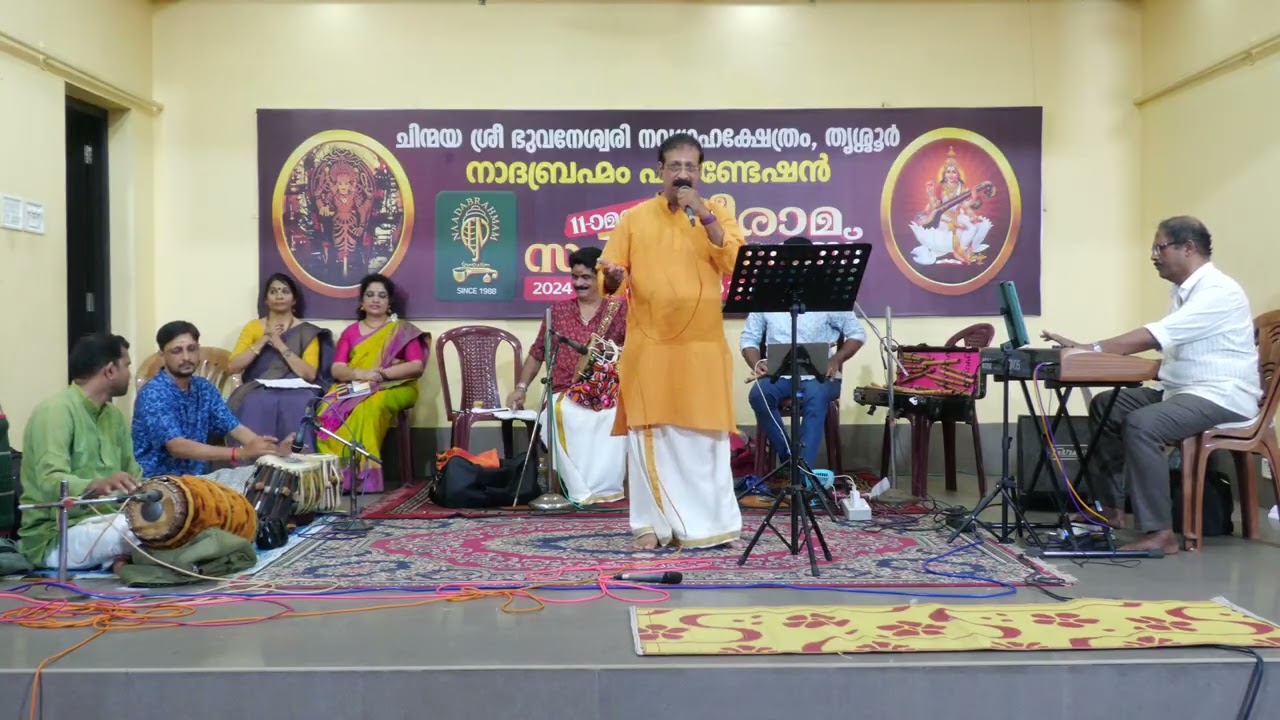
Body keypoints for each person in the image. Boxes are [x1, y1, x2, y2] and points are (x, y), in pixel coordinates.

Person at [1041, 216, 1261, 554]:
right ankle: (1109, 509)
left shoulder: (1218, 291)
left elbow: (1154, 335)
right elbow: (1168, 351)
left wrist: (1089, 350)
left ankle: (1160, 533)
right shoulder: (1183, 292)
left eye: (1160, 247)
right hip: (1182, 390)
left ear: (1187, 248)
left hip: (1222, 395)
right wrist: (1088, 352)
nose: (1154, 256)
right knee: (1106, 405)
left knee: (1144, 424)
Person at [598, 133, 744, 551]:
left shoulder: (715, 214)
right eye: (674, 166)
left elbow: (736, 262)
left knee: (706, 439)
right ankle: (650, 526)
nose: (682, 174)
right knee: (652, 435)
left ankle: (712, 526)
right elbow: (613, 274)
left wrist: (707, 216)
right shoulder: (635, 218)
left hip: (702, 347)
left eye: (690, 167)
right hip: (651, 348)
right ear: (659, 171)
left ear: (700, 173)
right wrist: (611, 277)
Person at [506, 246, 628, 505]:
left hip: (605, 393)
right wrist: (521, 387)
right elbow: (537, 353)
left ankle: (605, 490)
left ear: (600, 278)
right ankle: (579, 491)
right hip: (564, 391)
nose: (579, 283)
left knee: (611, 416)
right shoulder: (558, 312)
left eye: (586, 277)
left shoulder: (618, 311)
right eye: (575, 277)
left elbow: (632, 352)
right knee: (558, 416)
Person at [18, 333, 142, 569]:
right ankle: (120, 560)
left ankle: (119, 561)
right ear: (109, 371)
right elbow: (50, 480)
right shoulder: (55, 411)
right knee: (139, 532)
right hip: (58, 535)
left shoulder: (114, 416)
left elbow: (134, 475)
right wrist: (98, 484)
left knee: (169, 524)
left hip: (107, 522)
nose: (129, 373)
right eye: (126, 365)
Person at [740, 238, 866, 469]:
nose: (797, 268)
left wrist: (836, 359)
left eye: (803, 262)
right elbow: (749, 339)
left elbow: (857, 334)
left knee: (815, 397)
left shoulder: (829, 294)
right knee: (758, 395)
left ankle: (804, 474)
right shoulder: (767, 295)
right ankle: (790, 459)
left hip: (820, 375)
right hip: (779, 374)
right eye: (791, 262)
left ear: (812, 263)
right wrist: (757, 362)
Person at [133, 321, 290, 477]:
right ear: (162, 355)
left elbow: (234, 427)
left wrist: (272, 451)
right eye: (177, 351)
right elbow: (177, 446)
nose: (186, 357)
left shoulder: (203, 388)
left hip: (198, 480)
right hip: (159, 485)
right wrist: (240, 453)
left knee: (262, 483)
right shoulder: (153, 393)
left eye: (192, 349)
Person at [316, 273, 427, 493]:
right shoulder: (351, 332)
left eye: (382, 296)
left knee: (369, 405)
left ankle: (365, 478)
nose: (376, 299)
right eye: (370, 295)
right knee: (325, 407)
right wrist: (362, 373)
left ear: (389, 303)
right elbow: (337, 368)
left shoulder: (401, 330)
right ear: (362, 302)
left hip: (396, 386)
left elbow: (416, 366)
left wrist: (382, 375)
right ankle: (338, 474)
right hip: (360, 384)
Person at [226, 273, 334, 449]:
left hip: (299, 388)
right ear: (266, 300)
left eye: (285, 291)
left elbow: (309, 374)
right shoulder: (254, 327)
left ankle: (300, 464)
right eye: (273, 291)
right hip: (259, 387)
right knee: (254, 400)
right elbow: (233, 366)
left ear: (294, 300)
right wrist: (263, 340)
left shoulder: (306, 331)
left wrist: (279, 344)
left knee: (302, 402)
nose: (279, 296)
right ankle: (252, 464)